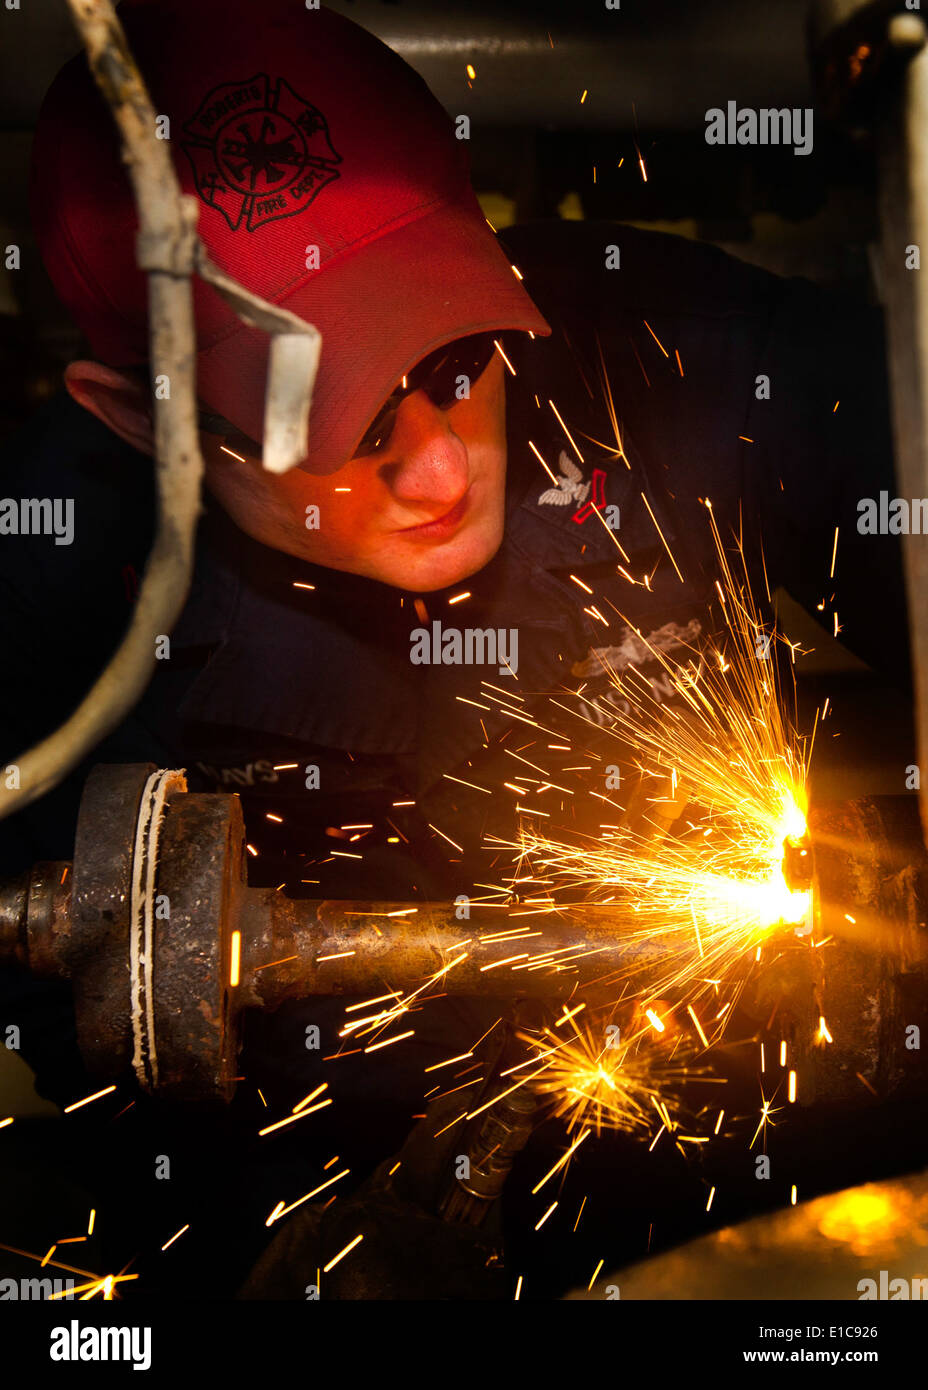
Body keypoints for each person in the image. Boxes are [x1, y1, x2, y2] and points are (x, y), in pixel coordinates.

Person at [0, 0, 910, 1296]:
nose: (434, 464)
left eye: (456, 356)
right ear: (143, 422)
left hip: (777, 1163)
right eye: (327, 419)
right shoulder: (56, 589)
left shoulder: (684, 357)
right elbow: (103, 1053)